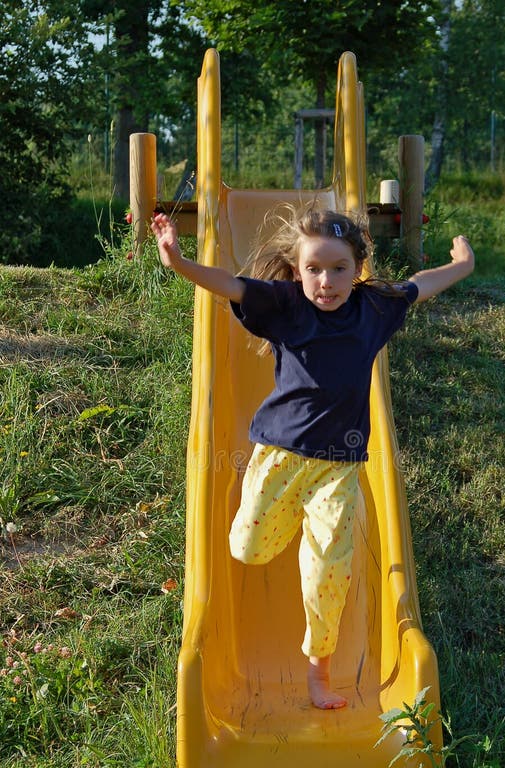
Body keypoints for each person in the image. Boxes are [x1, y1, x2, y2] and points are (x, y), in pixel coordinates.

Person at [152, 204, 474, 710]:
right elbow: (230, 285)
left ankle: (318, 675)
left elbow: (419, 285)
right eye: (314, 269)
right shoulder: (287, 306)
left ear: (358, 268)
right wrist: (177, 261)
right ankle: (292, 518)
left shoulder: (372, 309)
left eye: (339, 268)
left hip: (338, 468)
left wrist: (462, 265)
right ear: (297, 270)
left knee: (329, 574)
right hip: (280, 457)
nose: (326, 281)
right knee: (247, 550)